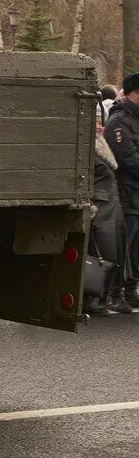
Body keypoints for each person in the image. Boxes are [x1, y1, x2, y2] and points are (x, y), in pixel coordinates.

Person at [89, 105, 133, 315]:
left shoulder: (99, 143)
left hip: (112, 206)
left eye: (99, 121)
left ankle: (111, 295)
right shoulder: (84, 146)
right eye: (94, 121)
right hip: (99, 206)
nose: (99, 126)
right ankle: (94, 298)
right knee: (100, 254)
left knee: (116, 254)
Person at [105, 72, 139, 308]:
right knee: (124, 244)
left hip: (136, 193)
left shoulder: (134, 119)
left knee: (136, 245)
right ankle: (114, 292)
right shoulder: (119, 121)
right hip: (127, 193)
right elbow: (127, 158)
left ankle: (130, 289)